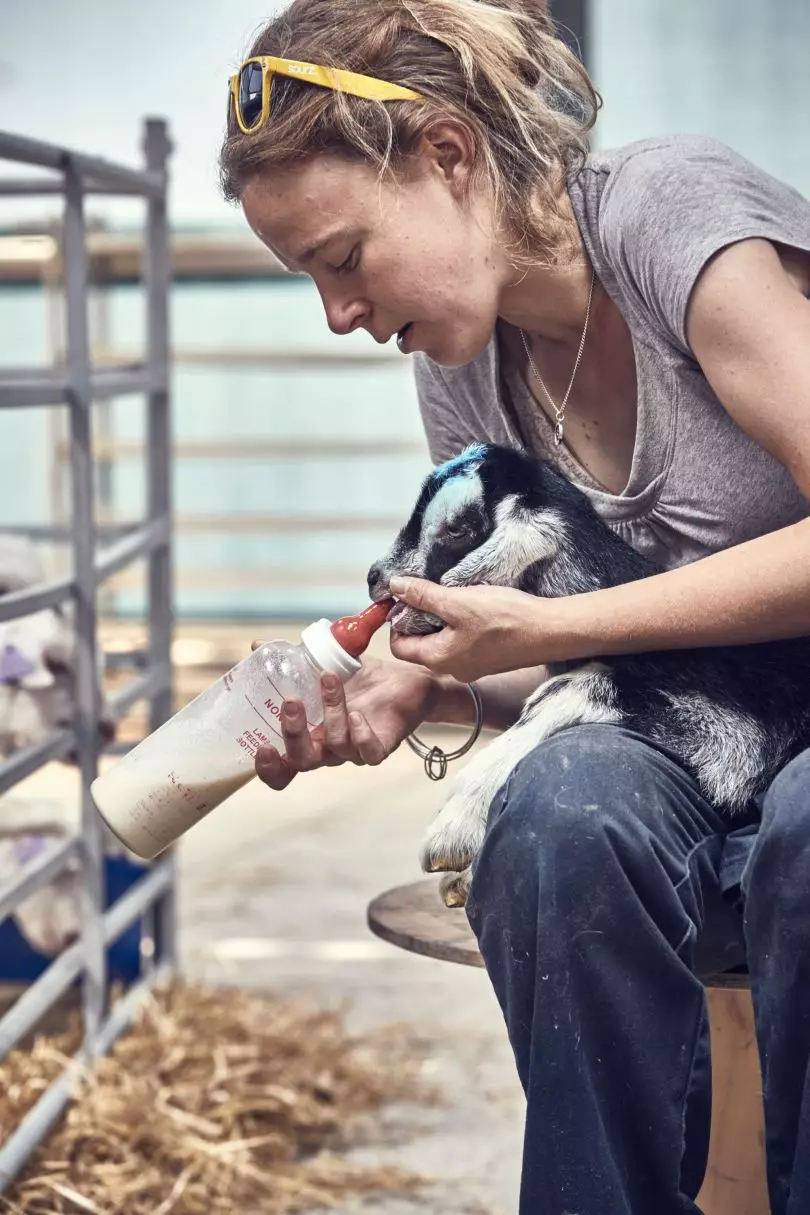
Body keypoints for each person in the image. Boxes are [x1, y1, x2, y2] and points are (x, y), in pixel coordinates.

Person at [220, 2, 810, 1211]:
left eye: (343, 260)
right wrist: (421, 685)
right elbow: (533, 664)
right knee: (555, 812)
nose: (340, 315)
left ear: (450, 154)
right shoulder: (462, 364)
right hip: (689, 733)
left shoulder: (667, 215)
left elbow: (565, 632)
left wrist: (554, 634)